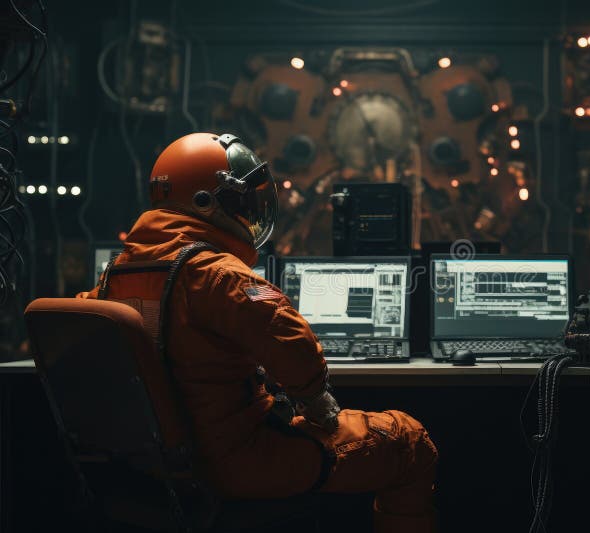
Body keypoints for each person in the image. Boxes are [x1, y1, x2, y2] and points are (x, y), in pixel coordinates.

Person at [78, 133, 438, 532]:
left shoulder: (112, 278)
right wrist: (315, 400)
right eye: (239, 201)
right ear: (205, 203)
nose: (247, 212)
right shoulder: (217, 275)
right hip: (240, 461)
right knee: (409, 441)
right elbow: (294, 348)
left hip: (155, 469)